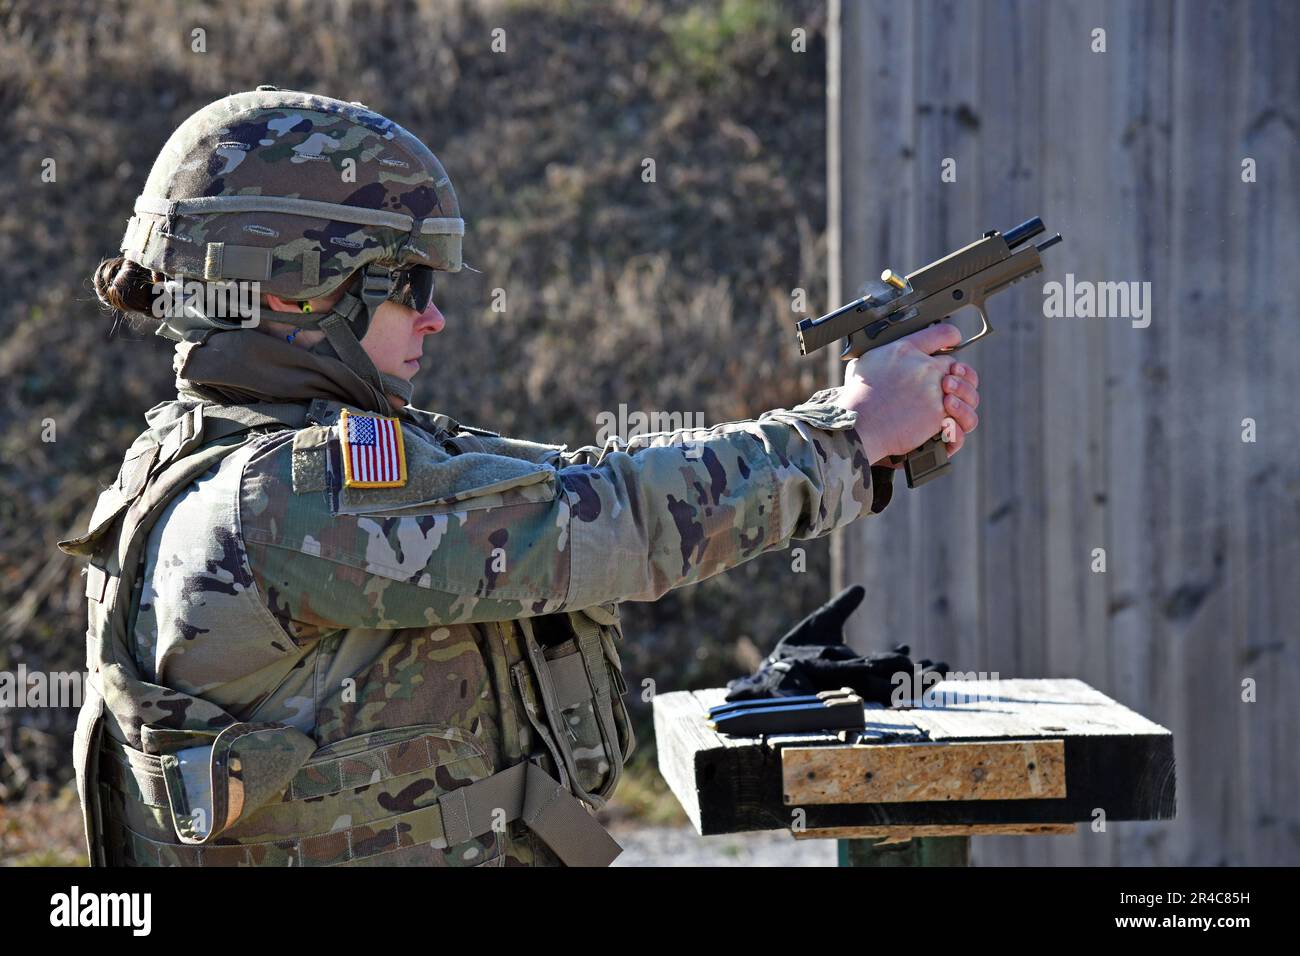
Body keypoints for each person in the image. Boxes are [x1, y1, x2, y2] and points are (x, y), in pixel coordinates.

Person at [61, 87, 981, 867]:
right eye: (409, 284)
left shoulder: (220, 456)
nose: (436, 318)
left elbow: (580, 483)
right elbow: (611, 523)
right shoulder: (290, 498)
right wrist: (846, 437)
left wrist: (870, 443)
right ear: (292, 292)